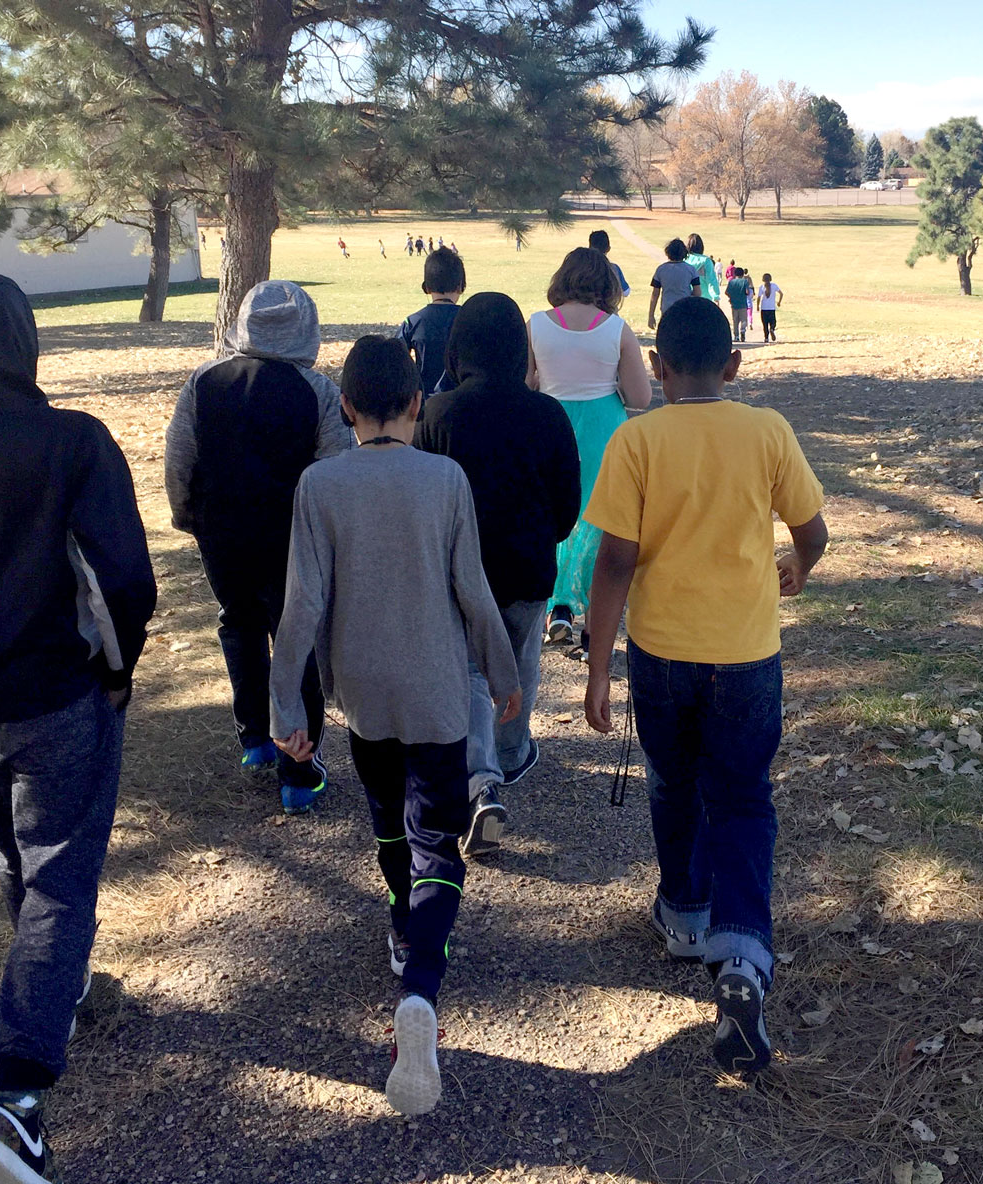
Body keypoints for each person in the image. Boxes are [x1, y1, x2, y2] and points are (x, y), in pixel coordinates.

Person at [269, 336, 520, 1117]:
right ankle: (419, 991)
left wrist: (285, 707)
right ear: (416, 403)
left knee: (386, 823)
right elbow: (474, 593)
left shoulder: (319, 484)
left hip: (364, 694)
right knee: (437, 840)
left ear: (345, 409)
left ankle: (401, 928)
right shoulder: (444, 479)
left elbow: (301, 607)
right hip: (439, 691)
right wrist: (505, 676)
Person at [583, 296, 828, 1076]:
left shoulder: (638, 439)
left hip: (662, 653)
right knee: (745, 797)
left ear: (655, 368)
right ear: (733, 366)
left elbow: (615, 561)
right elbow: (812, 531)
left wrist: (596, 667)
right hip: (749, 655)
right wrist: (800, 569)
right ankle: (745, 956)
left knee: (673, 783)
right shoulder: (767, 432)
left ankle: (685, 915)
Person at [0, 271, 157, 1184]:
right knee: (58, 877)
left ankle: (53, 986)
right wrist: (119, 674)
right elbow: (124, 577)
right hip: (56, 695)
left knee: (15, 848)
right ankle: (15, 1097)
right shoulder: (72, 443)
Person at [165, 280, 351, 814]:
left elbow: (180, 457)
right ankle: (299, 770)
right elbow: (333, 470)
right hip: (289, 541)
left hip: (222, 535)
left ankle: (254, 739)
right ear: (307, 327)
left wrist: (187, 515)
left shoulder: (204, 381)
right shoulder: (315, 390)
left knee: (238, 625)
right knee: (299, 645)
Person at [416, 294, 581, 855]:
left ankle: (480, 777)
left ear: (456, 347)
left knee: (469, 671)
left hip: (460, 571)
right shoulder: (549, 414)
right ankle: (512, 752)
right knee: (521, 660)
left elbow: (424, 496)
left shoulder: (437, 414)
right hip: (530, 566)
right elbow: (567, 508)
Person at [526, 247, 652, 650]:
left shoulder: (536, 325)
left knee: (552, 514)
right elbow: (640, 396)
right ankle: (594, 623)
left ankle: (557, 607)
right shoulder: (617, 330)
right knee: (599, 519)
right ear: (606, 285)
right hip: (604, 429)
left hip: (551, 422)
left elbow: (527, 382)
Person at [399, 247, 465, 400]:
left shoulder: (412, 322)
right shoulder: (470, 319)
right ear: (460, 286)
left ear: (426, 287)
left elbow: (396, 359)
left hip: (424, 406)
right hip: (462, 405)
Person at [648, 238, 701, 330]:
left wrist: (651, 316)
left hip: (667, 309)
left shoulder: (661, 269)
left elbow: (655, 294)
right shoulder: (691, 269)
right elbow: (697, 293)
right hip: (685, 308)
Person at [588, 229, 630, 299]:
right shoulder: (614, 268)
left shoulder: (582, 268)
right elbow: (626, 292)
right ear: (608, 248)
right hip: (608, 307)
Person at [685, 234, 720, 302]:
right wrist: (716, 297)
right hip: (704, 300)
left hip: (687, 299)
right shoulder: (706, 261)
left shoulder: (684, 261)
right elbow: (711, 281)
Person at [725, 265, 751, 342]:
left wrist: (731, 297)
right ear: (743, 274)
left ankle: (736, 336)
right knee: (743, 320)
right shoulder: (745, 281)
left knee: (735, 321)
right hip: (743, 303)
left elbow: (726, 292)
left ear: (735, 274)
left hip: (734, 304)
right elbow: (747, 292)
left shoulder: (731, 282)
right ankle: (742, 330)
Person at [757, 273, 783, 342]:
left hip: (764, 308)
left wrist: (757, 306)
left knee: (765, 324)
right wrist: (779, 302)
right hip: (771, 308)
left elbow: (759, 297)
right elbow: (781, 293)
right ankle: (772, 329)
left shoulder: (762, 287)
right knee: (773, 322)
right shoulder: (774, 286)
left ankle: (766, 338)